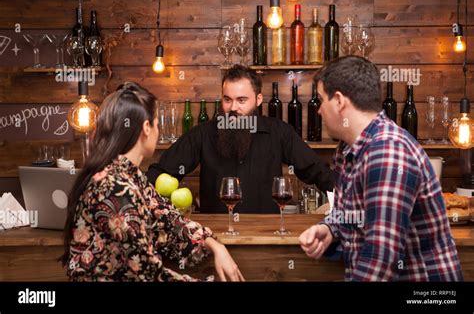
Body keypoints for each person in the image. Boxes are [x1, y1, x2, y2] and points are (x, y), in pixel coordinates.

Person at [299, 56, 463, 281]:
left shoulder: (388, 152)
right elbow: (352, 213)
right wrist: (329, 228)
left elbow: (381, 260)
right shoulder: (347, 149)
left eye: (320, 100)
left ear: (338, 101)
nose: (318, 111)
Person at [61, 82, 244, 282]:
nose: (158, 130)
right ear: (147, 128)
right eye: (157, 123)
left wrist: (213, 244)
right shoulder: (114, 186)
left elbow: (167, 218)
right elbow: (145, 272)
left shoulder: (131, 176)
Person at [146, 65, 334, 213]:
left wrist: (348, 203)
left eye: (241, 100)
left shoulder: (279, 133)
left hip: (266, 238)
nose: (233, 107)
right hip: (214, 239)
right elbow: (160, 174)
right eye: (227, 99)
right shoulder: (202, 134)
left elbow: (317, 171)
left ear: (258, 99)